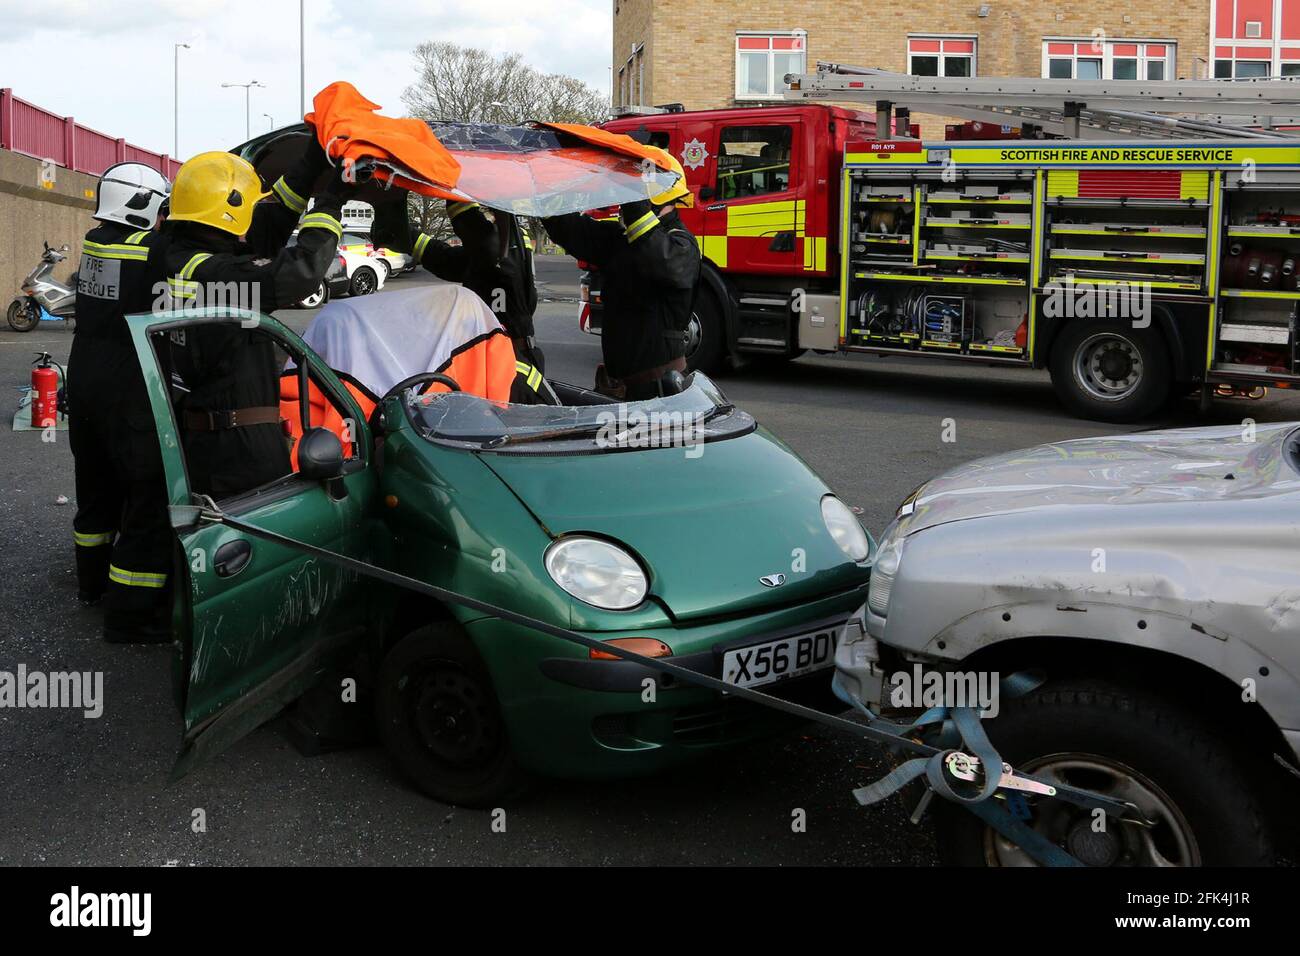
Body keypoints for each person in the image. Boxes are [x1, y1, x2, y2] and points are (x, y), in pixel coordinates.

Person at [157, 140, 355, 499]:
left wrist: (312, 158)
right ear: (228, 215)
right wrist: (332, 201)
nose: (255, 216)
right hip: (237, 450)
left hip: (205, 435)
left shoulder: (180, 253)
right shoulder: (216, 275)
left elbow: (271, 220)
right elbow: (301, 271)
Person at [67, 162, 172, 643]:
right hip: (125, 386)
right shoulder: (145, 250)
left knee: (94, 488)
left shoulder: (96, 243)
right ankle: (130, 617)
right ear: (141, 203)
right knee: (145, 495)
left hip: (85, 375)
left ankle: (91, 585)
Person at [541, 154, 700, 400]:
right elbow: (569, 230)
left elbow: (656, 258)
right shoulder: (620, 240)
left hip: (658, 394)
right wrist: (547, 183)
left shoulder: (680, 245)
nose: (620, 210)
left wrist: (633, 192)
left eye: (624, 201)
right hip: (620, 390)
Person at [401, 201, 554, 404]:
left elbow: (484, 246)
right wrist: (406, 236)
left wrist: (457, 197)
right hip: (502, 352)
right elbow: (451, 262)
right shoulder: (503, 239)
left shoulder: (504, 239)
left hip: (510, 357)